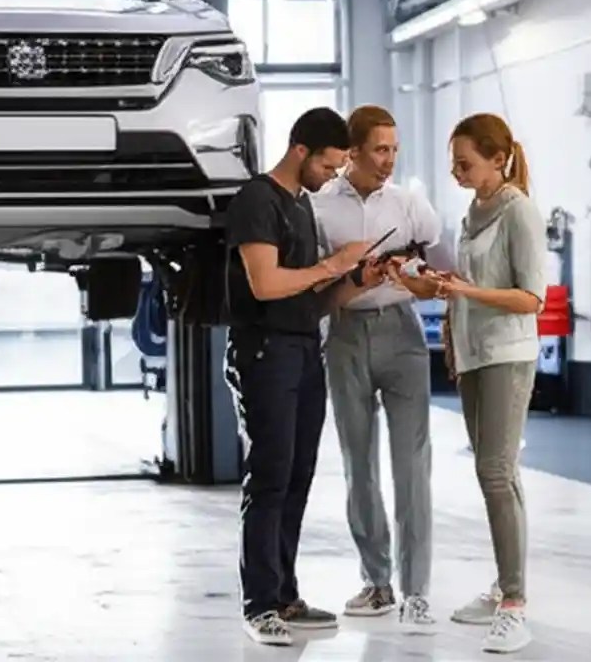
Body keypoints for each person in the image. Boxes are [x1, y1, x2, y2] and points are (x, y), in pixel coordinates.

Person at [223, 107, 384, 646]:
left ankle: (285, 595)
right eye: (329, 165)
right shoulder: (257, 200)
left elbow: (313, 299)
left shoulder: (301, 207)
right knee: (269, 477)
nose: (332, 176)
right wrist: (334, 263)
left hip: (302, 349)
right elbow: (267, 284)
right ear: (301, 152)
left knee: (297, 475)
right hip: (264, 352)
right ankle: (259, 604)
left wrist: (359, 278)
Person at [391, 112, 547, 654]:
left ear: (497, 159)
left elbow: (531, 299)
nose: (456, 172)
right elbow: (464, 287)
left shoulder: (519, 211)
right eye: (453, 163)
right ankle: (505, 587)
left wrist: (467, 290)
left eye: (465, 163)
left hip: (507, 354)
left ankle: (515, 605)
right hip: (475, 355)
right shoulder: (472, 212)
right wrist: (437, 294)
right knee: (501, 475)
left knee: (494, 473)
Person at [310, 105, 442, 627]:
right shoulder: (320, 208)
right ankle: (377, 582)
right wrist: (347, 272)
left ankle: (418, 591)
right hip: (344, 336)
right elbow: (315, 282)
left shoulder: (410, 204)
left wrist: (414, 275)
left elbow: (438, 261)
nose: (388, 160)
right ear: (354, 152)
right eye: (379, 149)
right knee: (358, 465)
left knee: (413, 468)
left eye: (394, 149)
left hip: (403, 333)